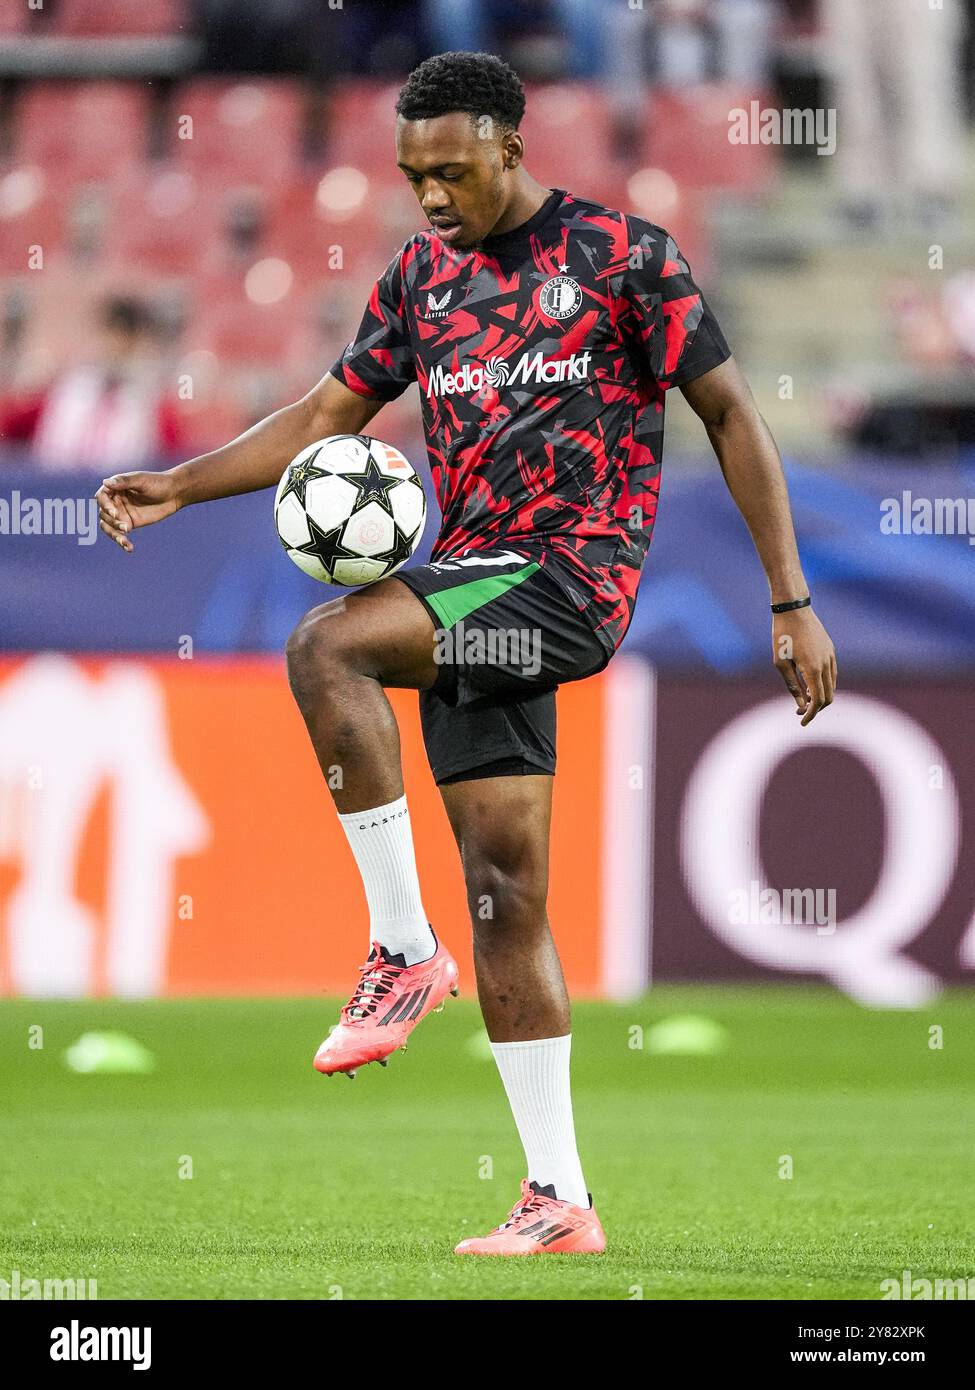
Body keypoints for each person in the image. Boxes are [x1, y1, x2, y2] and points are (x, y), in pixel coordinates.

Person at [95, 51, 837, 1256]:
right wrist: (182, 482)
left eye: (451, 171)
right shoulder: (420, 278)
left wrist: (790, 597)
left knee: (329, 643)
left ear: (508, 145)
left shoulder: (625, 257)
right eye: (411, 175)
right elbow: (328, 413)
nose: (432, 196)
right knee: (506, 888)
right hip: (474, 594)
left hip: (566, 578)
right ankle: (558, 1199)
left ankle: (398, 947)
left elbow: (732, 414)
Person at [1, 296, 181, 471]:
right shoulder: (66, 390)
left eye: (125, 339)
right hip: (53, 492)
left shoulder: (151, 404)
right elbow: (11, 431)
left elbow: (172, 460)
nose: (114, 346)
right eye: (110, 335)